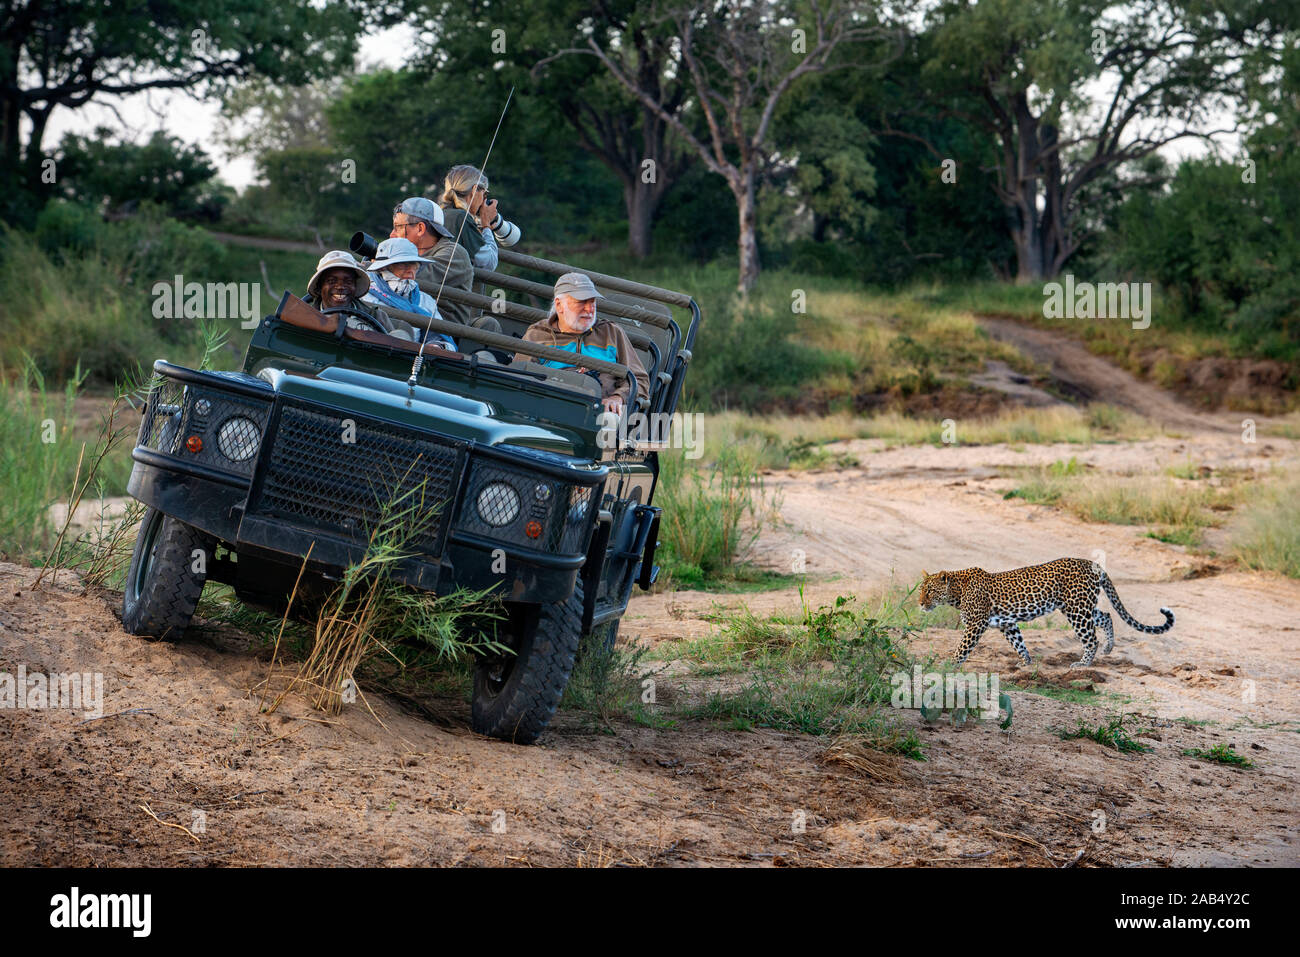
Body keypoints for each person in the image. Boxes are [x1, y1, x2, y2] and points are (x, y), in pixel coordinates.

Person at [521, 272, 650, 415]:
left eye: (592, 301)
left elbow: (639, 379)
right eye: (581, 302)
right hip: (547, 410)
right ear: (559, 305)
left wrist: (618, 397)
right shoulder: (537, 334)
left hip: (599, 415)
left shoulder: (611, 333)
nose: (590, 309)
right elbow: (519, 376)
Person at [389, 196, 502, 337]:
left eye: (398, 227)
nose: (392, 235)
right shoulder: (410, 252)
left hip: (441, 334)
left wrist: (380, 263)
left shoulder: (454, 253)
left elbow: (412, 276)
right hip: (409, 320)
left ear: (420, 228)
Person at [361, 237, 457, 350]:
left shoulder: (425, 300)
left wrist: (437, 346)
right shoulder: (363, 292)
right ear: (384, 268)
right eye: (404, 265)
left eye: (415, 266)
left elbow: (441, 339)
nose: (411, 273)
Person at [439, 164, 522, 273]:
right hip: (450, 288)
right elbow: (489, 263)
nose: (484, 200)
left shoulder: (440, 214)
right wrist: (486, 224)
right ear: (474, 190)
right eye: (485, 193)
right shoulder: (461, 218)